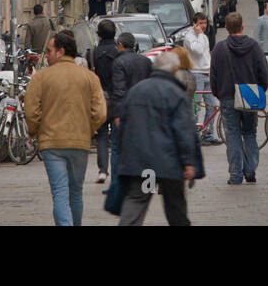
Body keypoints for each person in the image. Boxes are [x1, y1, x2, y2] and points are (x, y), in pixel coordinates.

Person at [24, 30, 107, 226]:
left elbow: (31, 111)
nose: (48, 55)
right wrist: (89, 129)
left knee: (60, 193)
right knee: (75, 192)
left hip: (52, 142)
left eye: (50, 51)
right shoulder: (90, 77)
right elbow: (101, 113)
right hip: (80, 141)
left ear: (60, 51)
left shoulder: (41, 78)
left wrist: (35, 131)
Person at [114, 52, 204, 226]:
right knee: (175, 207)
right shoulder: (175, 93)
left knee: (138, 200)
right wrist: (188, 162)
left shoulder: (136, 91)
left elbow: (123, 125)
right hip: (169, 164)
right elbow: (183, 131)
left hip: (142, 164)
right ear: (175, 70)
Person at [210, 11, 268, 185]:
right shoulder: (254, 46)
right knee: (250, 132)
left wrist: (217, 93)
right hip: (250, 95)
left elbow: (213, 75)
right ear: (242, 25)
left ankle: (235, 174)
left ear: (226, 28)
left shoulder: (219, 48)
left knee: (232, 134)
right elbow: (264, 73)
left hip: (228, 95)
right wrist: (260, 90)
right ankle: (250, 171)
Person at [108, 32, 153, 181]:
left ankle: (117, 185)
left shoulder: (118, 63)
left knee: (117, 148)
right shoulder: (146, 61)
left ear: (120, 45)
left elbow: (119, 91)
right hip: (144, 111)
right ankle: (148, 184)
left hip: (126, 111)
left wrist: (117, 115)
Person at [87, 19, 121, 181]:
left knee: (100, 135)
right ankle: (116, 172)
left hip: (99, 98)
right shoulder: (119, 52)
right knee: (115, 136)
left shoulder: (92, 53)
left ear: (98, 34)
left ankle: (102, 170)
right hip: (116, 98)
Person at [182, 13, 223, 145]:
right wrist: (199, 34)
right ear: (194, 24)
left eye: (204, 23)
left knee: (212, 105)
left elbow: (206, 55)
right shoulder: (190, 37)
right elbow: (198, 51)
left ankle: (208, 133)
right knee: (195, 107)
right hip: (195, 74)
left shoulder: (203, 36)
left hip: (207, 73)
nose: (203, 26)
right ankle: (193, 136)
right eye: (200, 23)